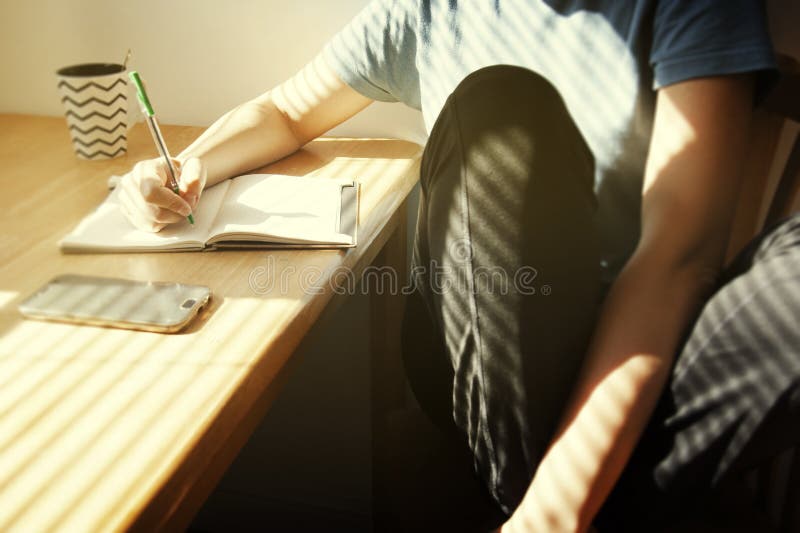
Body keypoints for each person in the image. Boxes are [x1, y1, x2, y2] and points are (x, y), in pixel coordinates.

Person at [119, 0, 800, 531]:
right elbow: (287, 110)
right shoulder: (432, 9)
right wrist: (188, 167)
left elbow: (678, 254)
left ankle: (536, 502)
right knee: (500, 108)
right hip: (484, 340)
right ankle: (561, 497)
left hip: (640, 333)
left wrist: (555, 509)